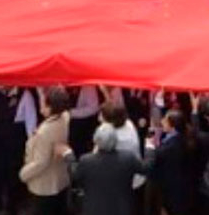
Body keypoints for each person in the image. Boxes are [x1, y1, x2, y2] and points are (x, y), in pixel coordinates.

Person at [60, 122, 144, 215]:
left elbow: (75, 175)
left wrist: (69, 156)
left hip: (94, 210)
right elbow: (145, 168)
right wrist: (150, 149)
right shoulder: (128, 158)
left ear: (96, 140)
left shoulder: (87, 161)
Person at [20, 86, 72, 215]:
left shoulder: (44, 132)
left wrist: (24, 174)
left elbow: (41, 162)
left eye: (43, 101)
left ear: (50, 107)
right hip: (60, 178)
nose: (40, 103)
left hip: (45, 184)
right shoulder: (64, 117)